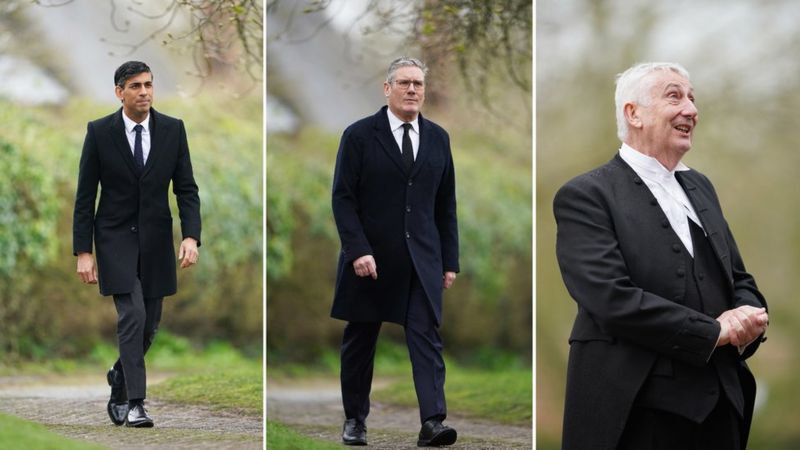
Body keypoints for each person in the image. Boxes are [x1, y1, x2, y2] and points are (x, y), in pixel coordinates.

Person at [553, 62, 769, 450]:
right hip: (635, 409)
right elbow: (609, 297)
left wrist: (749, 316)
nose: (690, 109)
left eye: (692, 98)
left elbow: (739, 279)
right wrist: (714, 332)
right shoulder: (586, 195)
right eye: (675, 96)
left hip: (722, 406)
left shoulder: (700, 186)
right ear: (633, 113)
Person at [330, 57, 459, 447]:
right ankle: (355, 420)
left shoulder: (438, 138)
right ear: (387, 89)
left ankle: (433, 422)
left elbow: (445, 204)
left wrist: (449, 261)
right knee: (360, 340)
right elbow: (343, 198)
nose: (412, 90)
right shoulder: (358, 136)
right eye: (404, 83)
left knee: (426, 339)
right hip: (370, 260)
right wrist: (357, 251)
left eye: (418, 84)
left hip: (422, 261)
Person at [73, 61, 201, 428]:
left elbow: (187, 189)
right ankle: (135, 404)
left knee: (150, 325)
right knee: (133, 316)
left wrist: (191, 235)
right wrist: (84, 251)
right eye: (135, 86)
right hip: (113, 238)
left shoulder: (174, 131)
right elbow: (85, 196)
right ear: (119, 92)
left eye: (148, 84)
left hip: (158, 241)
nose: (144, 91)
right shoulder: (99, 132)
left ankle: (118, 377)